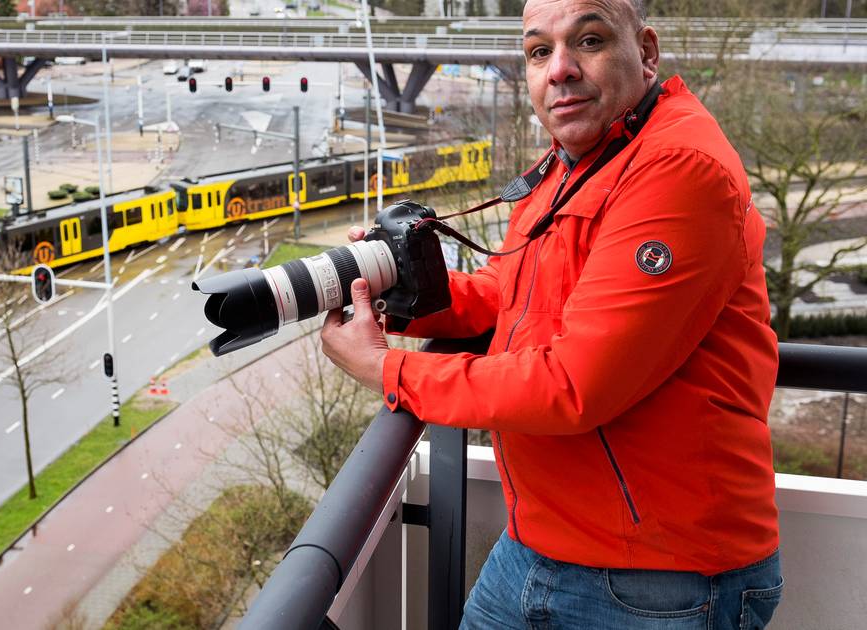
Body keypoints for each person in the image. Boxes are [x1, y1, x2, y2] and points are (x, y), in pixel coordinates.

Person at [319, 0, 784, 628]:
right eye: (539, 51)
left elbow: (573, 384)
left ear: (645, 53)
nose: (559, 69)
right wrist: (394, 293)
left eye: (588, 41)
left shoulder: (677, 169)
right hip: (538, 543)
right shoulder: (582, 158)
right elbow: (510, 288)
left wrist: (387, 372)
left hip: (660, 580)